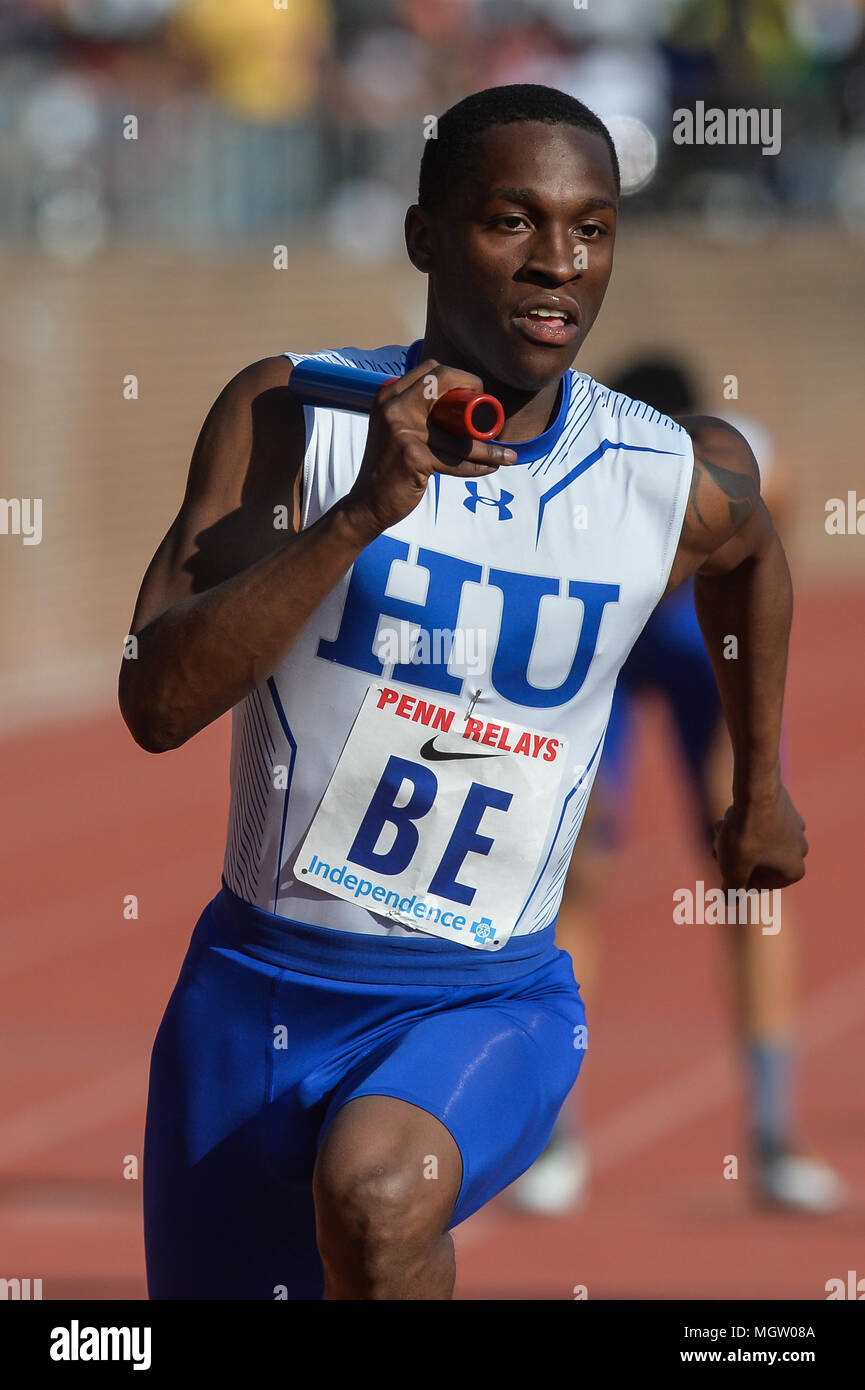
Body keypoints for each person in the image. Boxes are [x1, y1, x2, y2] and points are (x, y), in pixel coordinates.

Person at [119, 84, 808, 1301]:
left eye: (592, 228)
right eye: (512, 220)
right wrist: (358, 517)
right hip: (253, 994)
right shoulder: (296, 415)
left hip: (486, 999)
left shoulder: (665, 470)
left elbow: (751, 553)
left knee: (379, 1201)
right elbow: (155, 704)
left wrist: (758, 784)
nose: (559, 263)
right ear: (425, 237)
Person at [510, 358, 841, 1217]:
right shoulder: (568, 483)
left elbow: (764, 597)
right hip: (608, 644)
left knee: (748, 878)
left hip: (705, 640)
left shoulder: (757, 474)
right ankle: (556, 1135)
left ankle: (772, 1134)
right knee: (573, 871)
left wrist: (748, 757)